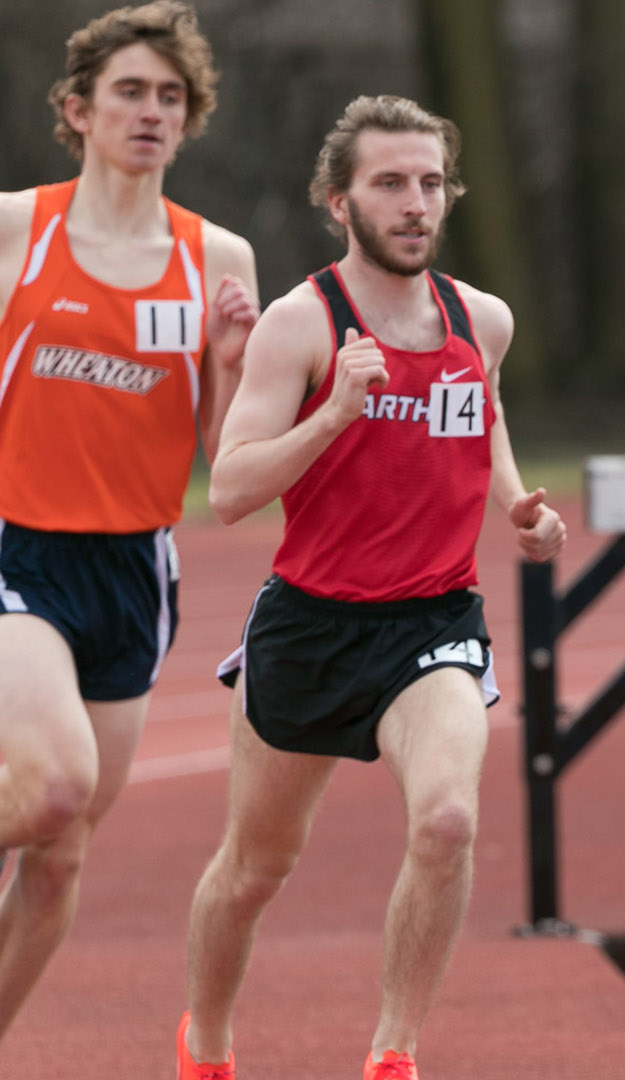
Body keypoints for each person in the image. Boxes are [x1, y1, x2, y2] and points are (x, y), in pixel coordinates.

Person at [174, 95, 565, 1080]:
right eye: (390, 183)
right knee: (255, 868)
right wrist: (336, 412)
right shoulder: (300, 325)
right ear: (339, 201)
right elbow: (229, 490)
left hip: (434, 619)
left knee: (448, 819)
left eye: (430, 182)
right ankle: (207, 1045)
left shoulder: (483, 317)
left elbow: (485, 409)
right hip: (310, 627)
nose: (415, 202)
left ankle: (394, 1055)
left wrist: (518, 505)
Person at [0, 0, 258, 1044]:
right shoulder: (19, 226)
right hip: (17, 546)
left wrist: (236, 369)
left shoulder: (219, 259)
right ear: (78, 109)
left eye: (171, 97)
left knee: (60, 856)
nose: (152, 112)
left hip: (134, 573)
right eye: (130, 93)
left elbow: (228, 473)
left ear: (188, 120)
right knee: (55, 790)